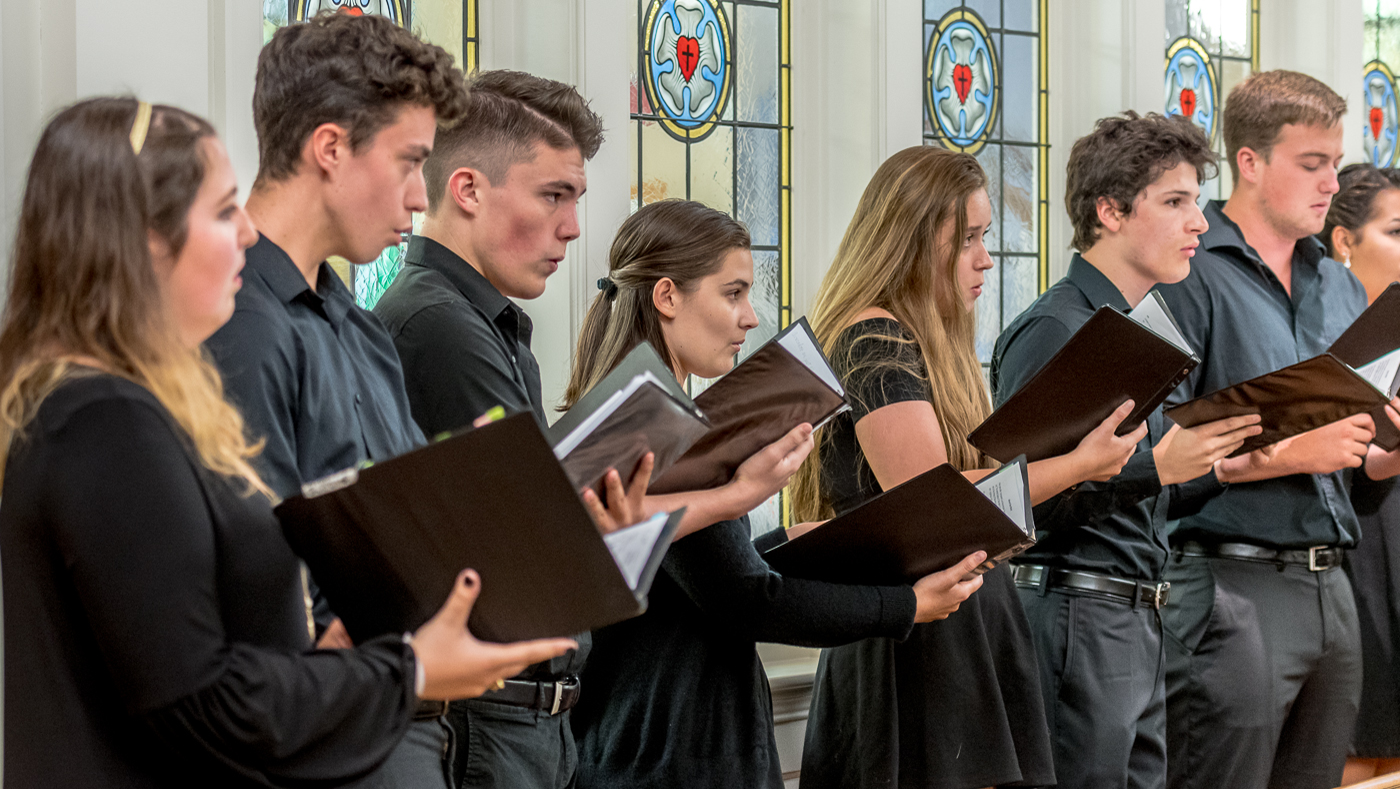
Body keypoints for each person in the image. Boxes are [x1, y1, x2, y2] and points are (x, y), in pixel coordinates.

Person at [0, 96, 577, 789]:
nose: (246, 232)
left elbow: (197, 640)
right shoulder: (101, 416)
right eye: (220, 211)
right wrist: (409, 669)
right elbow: (200, 702)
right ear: (143, 239)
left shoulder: (134, 402)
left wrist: (335, 659)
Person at [203, 17, 642, 788]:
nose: (419, 192)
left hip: (404, 732)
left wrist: (571, 535)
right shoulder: (239, 326)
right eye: (410, 161)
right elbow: (256, 613)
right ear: (330, 148)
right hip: (328, 742)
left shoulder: (361, 332)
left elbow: (415, 548)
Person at [372, 71, 808, 787]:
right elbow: (543, 543)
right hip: (491, 718)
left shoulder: (488, 324)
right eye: (554, 195)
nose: (573, 226)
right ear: (469, 189)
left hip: (533, 719)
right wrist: (732, 497)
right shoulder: (439, 326)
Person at [562, 198, 988, 789]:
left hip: (645, 743)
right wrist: (908, 607)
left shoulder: (628, 413)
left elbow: (690, 578)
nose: (750, 317)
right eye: (732, 293)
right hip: (674, 756)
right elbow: (750, 600)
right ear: (667, 297)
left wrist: (795, 539)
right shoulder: (656, 430)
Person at [790, 145, 1146, 789]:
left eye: (986, 236)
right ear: (908, 243)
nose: (985, 258)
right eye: (968, 240)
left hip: (958, 620)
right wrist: (1078, 463)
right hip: (913, 635)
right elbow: (935, 502)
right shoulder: (875, 336)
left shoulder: (929, 338)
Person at [990, 112, 1266, 789]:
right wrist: (1155, 466)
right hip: (1077, 612)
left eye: (1196, 203)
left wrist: (1220, 466)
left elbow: (1134, 497)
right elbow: (1017, 505)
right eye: (1175, 202)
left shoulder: (1131, 327)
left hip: (1136, 614)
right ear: (1110, 211)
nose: (1198, 223)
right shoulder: (1057, 328)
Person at [1155, 70, 1400, 789]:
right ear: (1251, 163)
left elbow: (1351, 467)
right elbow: (1155, 451)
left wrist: (1385, 449)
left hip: (1332, 586)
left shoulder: (1339, 284)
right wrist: (1291, 451)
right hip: (1231, 583)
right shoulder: (1190, 273)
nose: (1330, 183)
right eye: (1311, 163)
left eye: (1334, 161)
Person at [1320, 163, 1400, 785]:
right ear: (1343, 241)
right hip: (1355, 558)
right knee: (1357, 750)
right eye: (1397, 230)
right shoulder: (1315, 332)